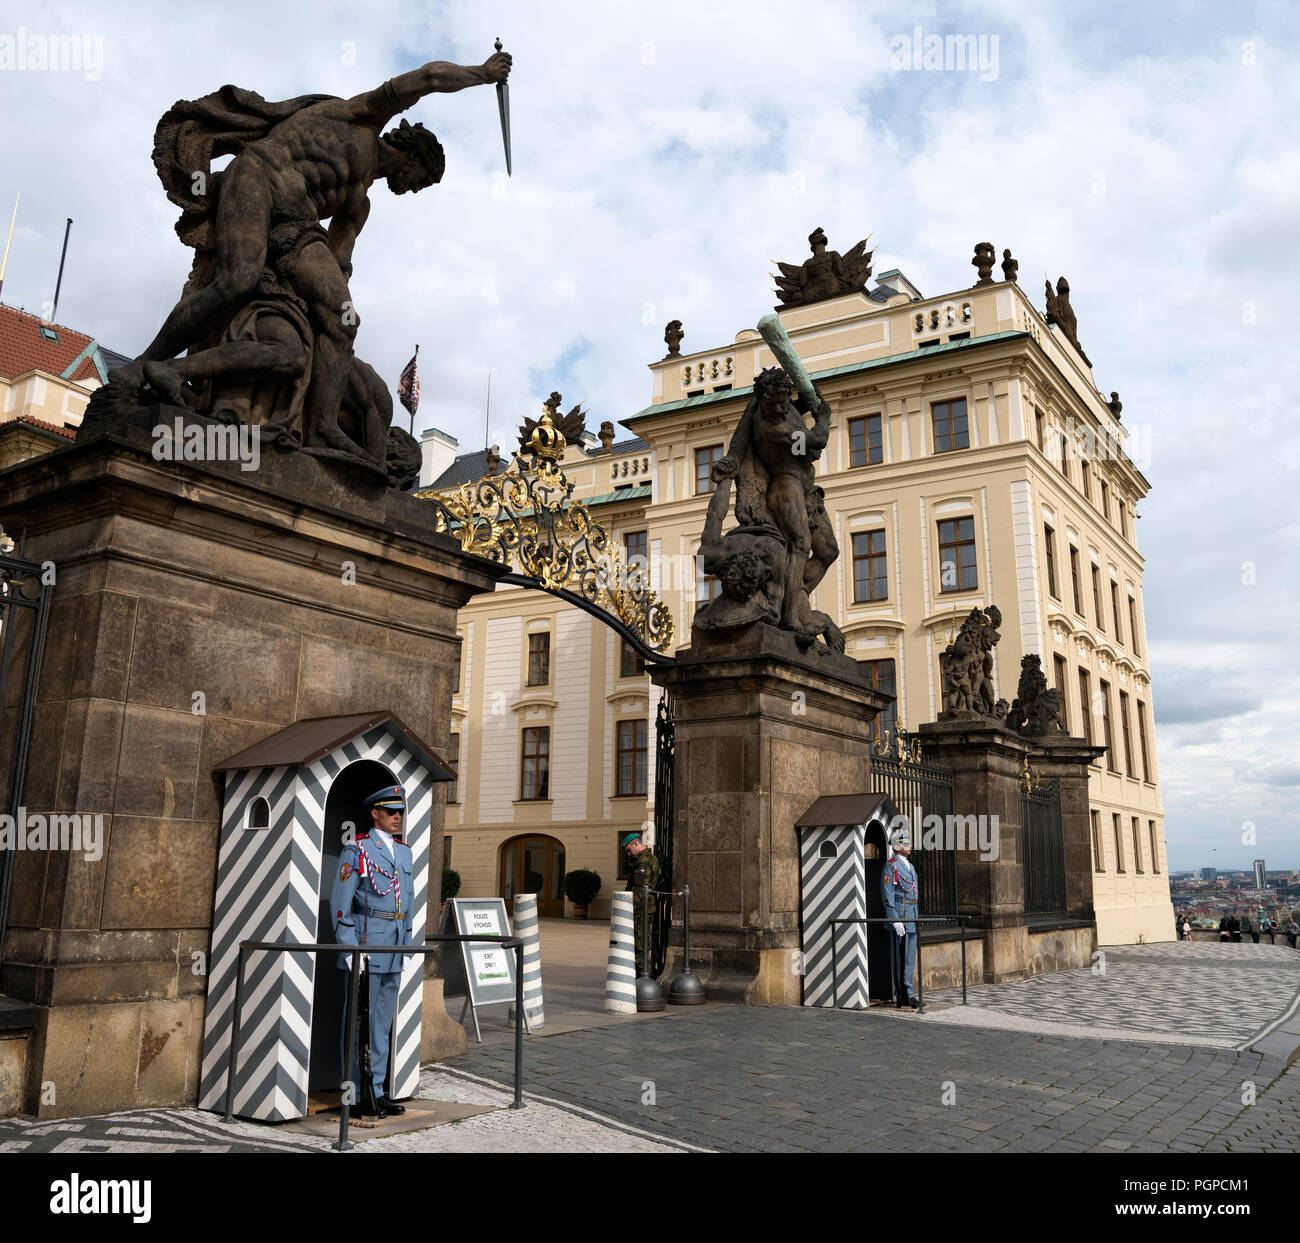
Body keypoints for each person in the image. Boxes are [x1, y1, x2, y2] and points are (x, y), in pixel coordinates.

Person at [331, 784, 415, 1118]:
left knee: (381, 1023)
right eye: (391, 812)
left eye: (401, 812)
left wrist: (407, 943)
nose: (397, 817)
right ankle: (353, 1091)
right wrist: (353, 950)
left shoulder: (404, 852)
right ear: (375, 813)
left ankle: (376, 1090)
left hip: (394, 945)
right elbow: (341, 904)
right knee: (356, 1023)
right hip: (366, 945)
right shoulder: (358, 850)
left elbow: (407, 901)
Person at [881, 827, 920, 1009]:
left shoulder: (909, 866)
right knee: (899, 958)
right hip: (900, 918)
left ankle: (909, 993)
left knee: (909, 958)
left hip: (911, 917)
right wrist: (894, 919)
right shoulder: (891, 865)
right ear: (897, 846)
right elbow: (887, 894)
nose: (909, 845)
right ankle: (901, 994)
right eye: (906, 842)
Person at [622, 832, 660, 975]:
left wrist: (626, 909)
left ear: (636, 844)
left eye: (628, 850)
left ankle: (644, 977)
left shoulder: (644, 862)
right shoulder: (646, 859)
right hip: (644, 908)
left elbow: (639, 891)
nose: (628, 854)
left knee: (640, 945)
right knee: (640, 943)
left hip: (640, 909)